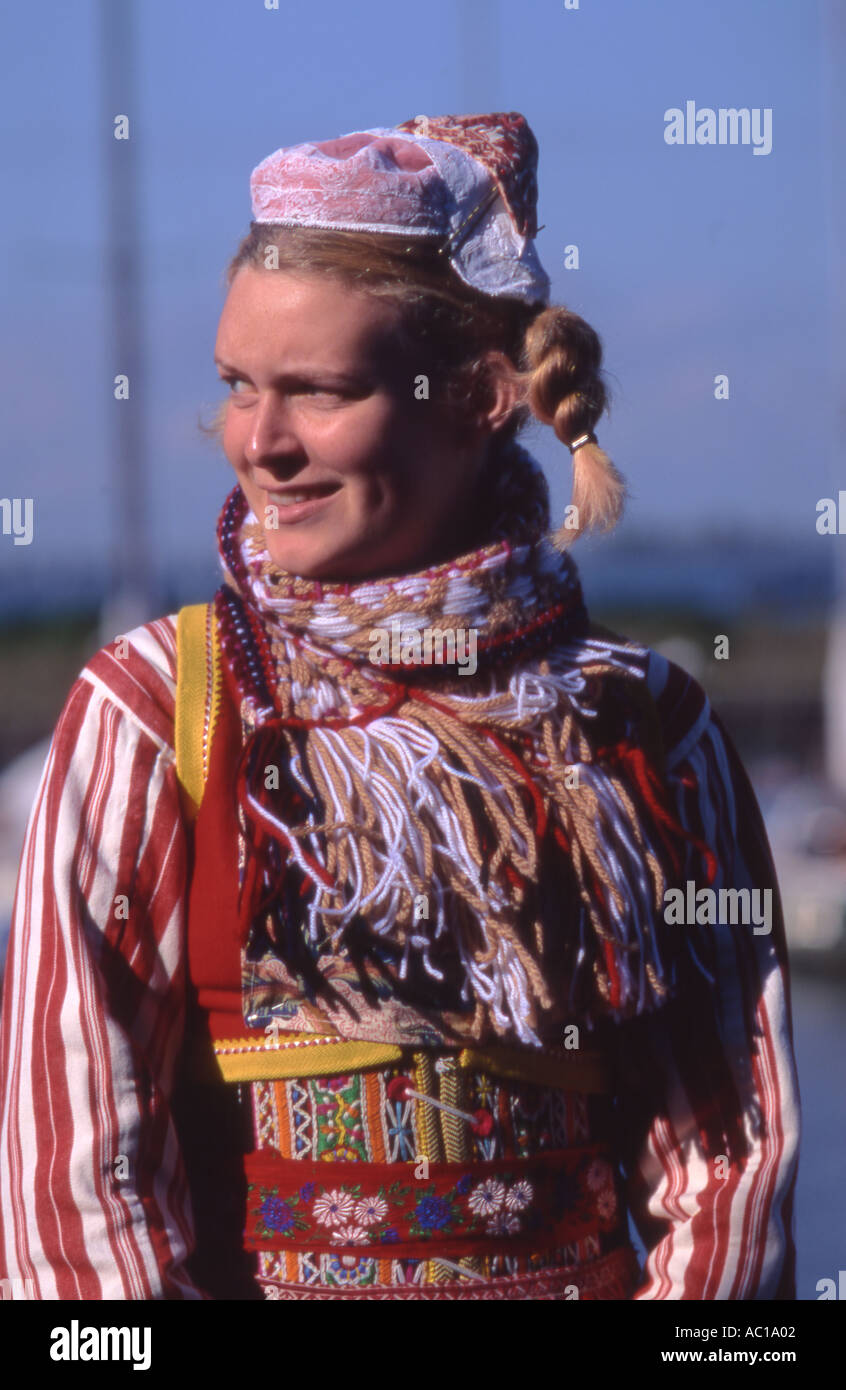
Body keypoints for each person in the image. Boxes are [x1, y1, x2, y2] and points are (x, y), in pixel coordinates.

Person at [0, 111, 799, 1300]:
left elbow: (730, 1154)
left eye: (318, 391)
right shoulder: (159, 713)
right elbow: (71, 1201)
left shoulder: (644, 732)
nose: (257, 444)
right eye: (235, 386)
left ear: (482, 394)